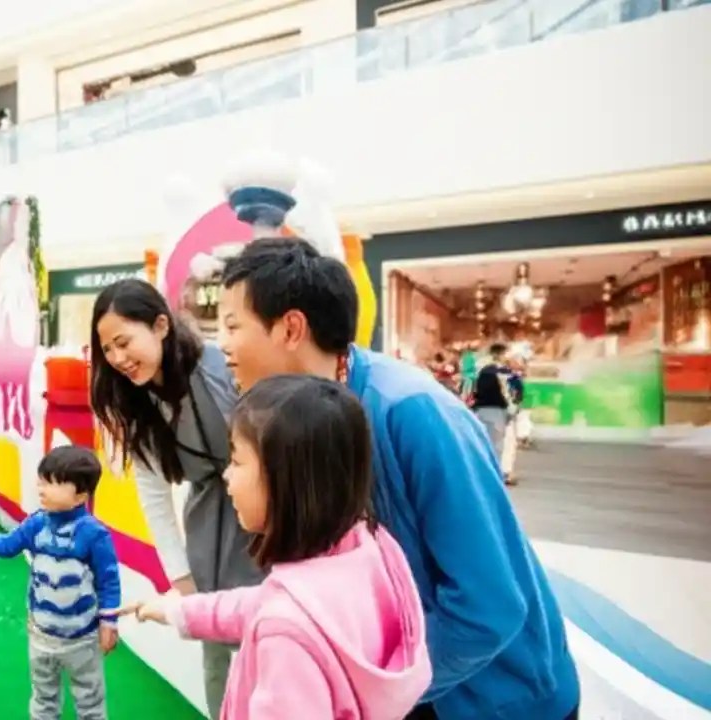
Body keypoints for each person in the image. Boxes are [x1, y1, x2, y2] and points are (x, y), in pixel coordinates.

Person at [217, 238, 578, 720]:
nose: (221, 345)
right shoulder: (304, 417)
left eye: (232, 325)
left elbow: (489, 606)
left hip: (495, 697)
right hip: (416, 686)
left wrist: (366, 687)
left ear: (291, 328)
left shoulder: (413, 412)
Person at [122, 375, 432, 719]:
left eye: (237, 462)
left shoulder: (287, 632)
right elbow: (263, 602)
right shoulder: (366, 549)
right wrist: (175, 611)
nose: (226, 476)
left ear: (285, 478)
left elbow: (278, 614)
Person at [88, 278, 262, 717]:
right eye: (107, 349)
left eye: (124, 342)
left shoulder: (222, 368)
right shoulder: (136, 403)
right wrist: (180, 576)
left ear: (161, 325)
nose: (118, 359)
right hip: (209, 524)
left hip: (267, 511)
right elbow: (153, 494)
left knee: (271, 630)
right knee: (216, 645)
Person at [0, 446, 121, 720]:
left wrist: (109, 622)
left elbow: (108, 580)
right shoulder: (36, 524)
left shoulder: (94, 534)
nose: (41, 488)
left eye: (52, 483)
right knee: (43, 699)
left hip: (82, 640)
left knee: (89, 700)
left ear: (80, 495)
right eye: (41, 480)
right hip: (41, 635)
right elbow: (8, 545)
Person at [472, 343, 524, 485]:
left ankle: (481, 472)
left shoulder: (482, 371)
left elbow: (473, 390)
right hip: (499, 410)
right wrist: (515, 406)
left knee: (484, 441)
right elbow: (517, 391)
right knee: (500, 444)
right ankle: (497, 474)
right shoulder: (506, 373)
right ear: (502, 354)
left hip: (481, 409)